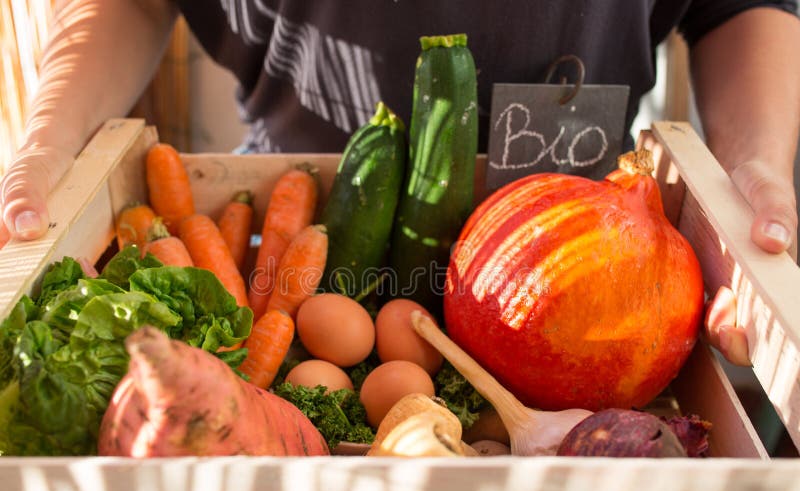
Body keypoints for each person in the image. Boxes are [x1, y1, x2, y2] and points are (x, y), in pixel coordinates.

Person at [2, 0, 799, 368]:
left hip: (595, 238)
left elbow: (737, 4)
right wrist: (49, 138)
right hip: (289, 222)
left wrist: (753, 167)